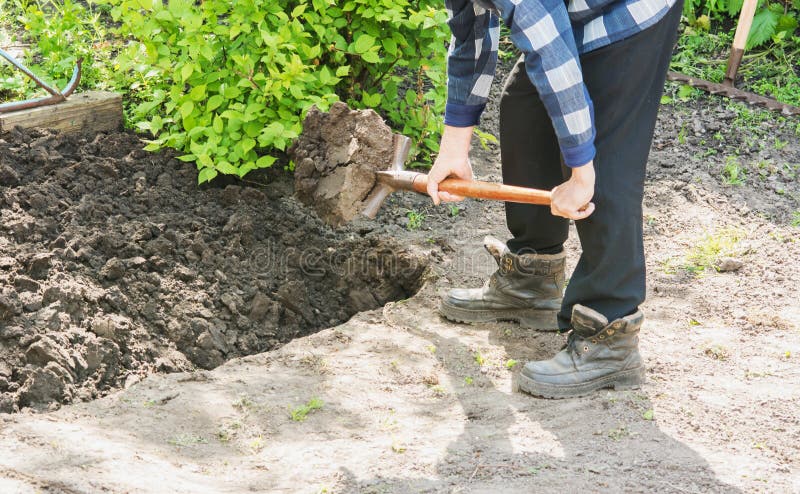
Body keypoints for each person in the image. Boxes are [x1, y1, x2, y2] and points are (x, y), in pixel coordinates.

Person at [428, 0, 684, 398]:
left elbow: (550, 51)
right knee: (525, 108)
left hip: (631, 9)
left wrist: (582, 171)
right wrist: (453, 150)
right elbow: (471, 34)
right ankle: (533, 279)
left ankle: (609, 331)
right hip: (573, 9)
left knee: (604, 159)